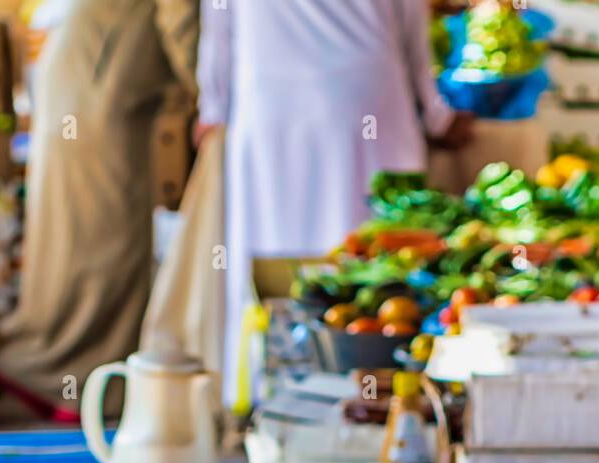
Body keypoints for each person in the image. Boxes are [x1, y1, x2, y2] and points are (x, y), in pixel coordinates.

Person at [195, 0, 473, 408]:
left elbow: (218, 22)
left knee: (276, 267)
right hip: (364, 96)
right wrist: (436, 112)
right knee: (377, 267)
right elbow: (411, 18)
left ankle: (271, 401)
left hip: (272, 104)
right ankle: (386, 404)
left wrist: (213, 107)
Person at [0, 0, 200, 414]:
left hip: (96, 81)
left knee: (86, 234)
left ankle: (75, 375)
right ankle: (62, 380)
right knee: (100, 241)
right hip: (98, 90)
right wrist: (212, 91)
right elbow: (180, 14)